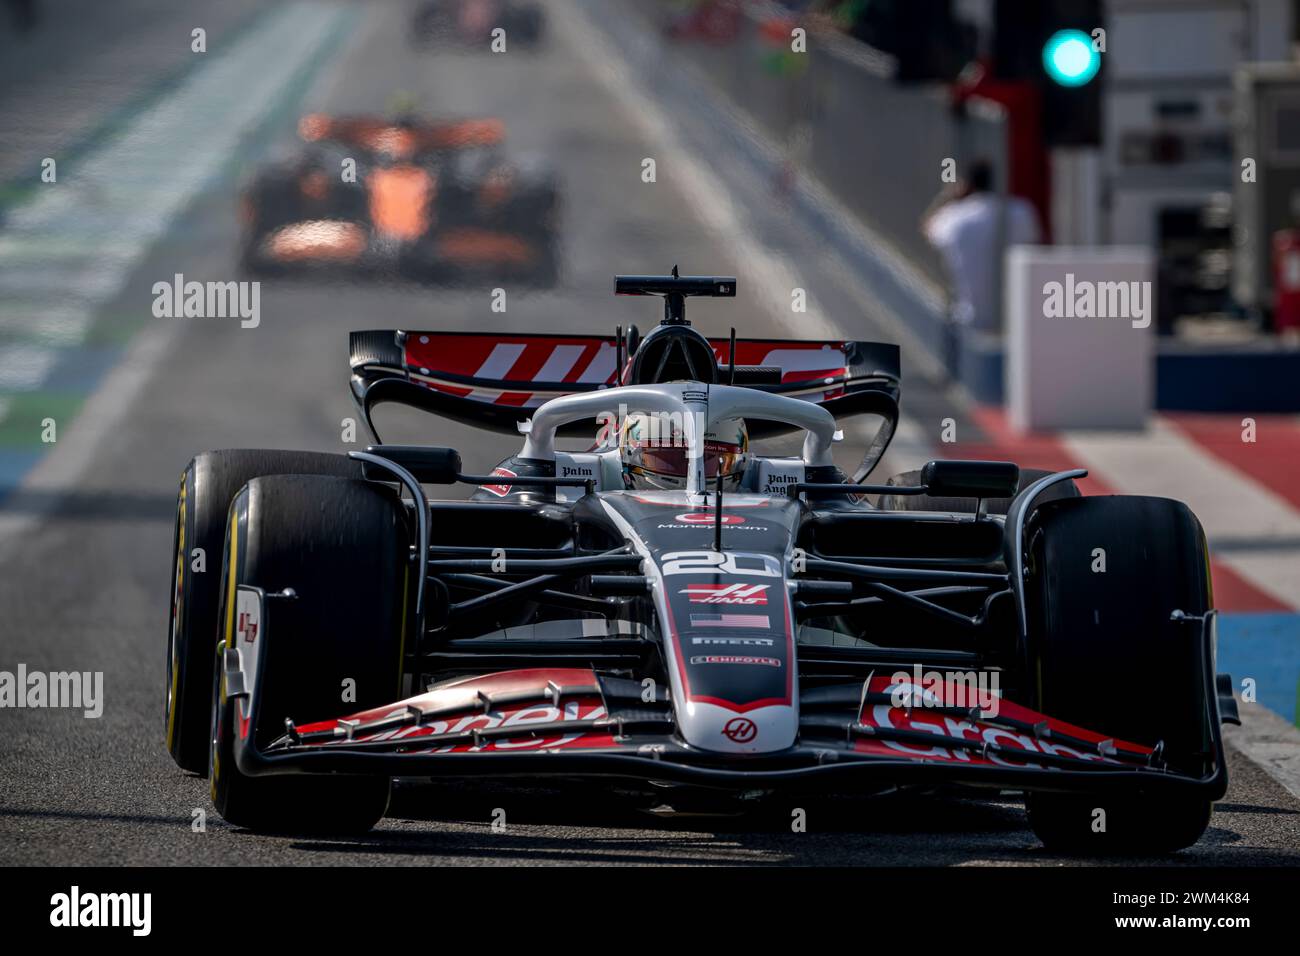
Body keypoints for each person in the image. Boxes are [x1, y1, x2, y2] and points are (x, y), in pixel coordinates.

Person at [922, 158, 1040, 379]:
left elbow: (928, 227)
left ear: (967, 185)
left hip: (970, 316)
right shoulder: (1021, 211)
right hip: (1015, 315)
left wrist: (949, 197)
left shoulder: (954, 219)